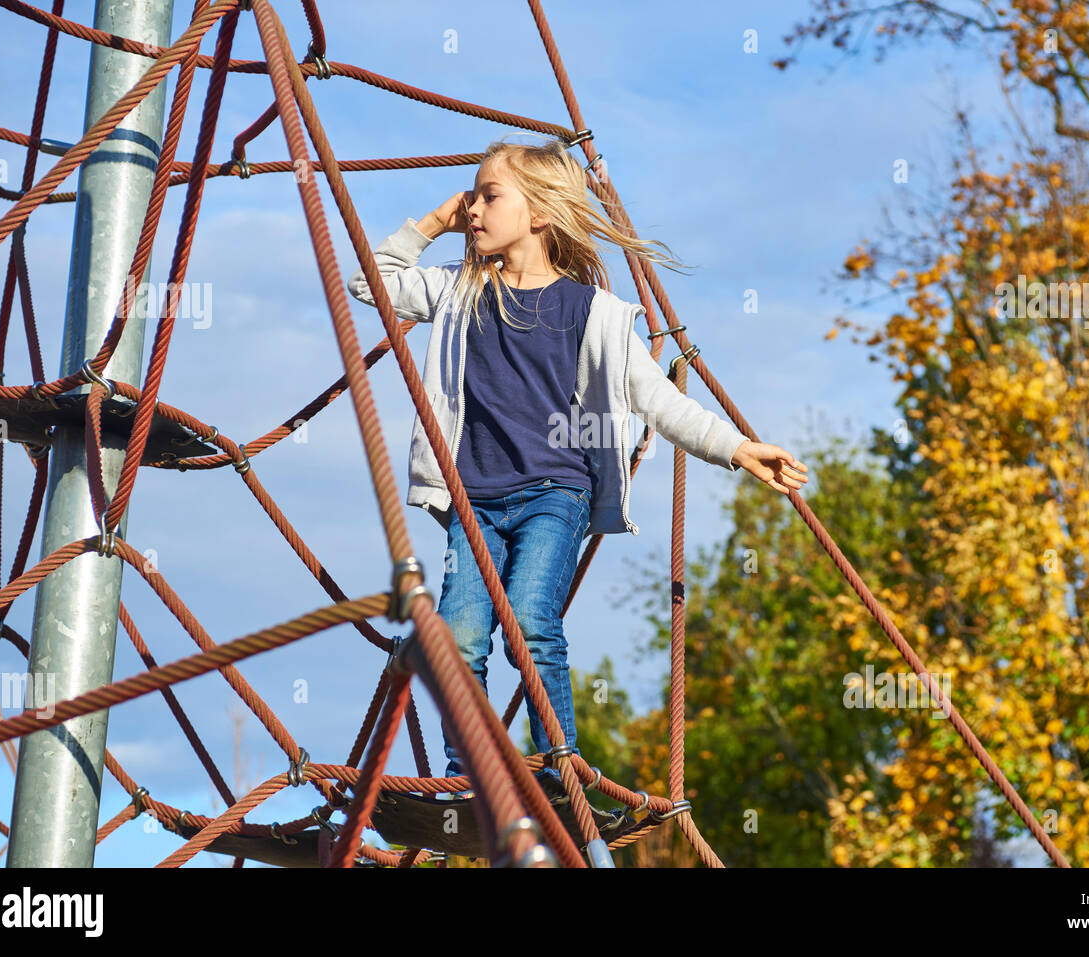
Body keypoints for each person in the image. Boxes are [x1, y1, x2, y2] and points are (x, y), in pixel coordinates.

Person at [346, 137, 808, 798]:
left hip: (552, 495)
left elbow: (661, 402)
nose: (473, 208)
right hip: (472, 500)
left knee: (531, 622)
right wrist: (430, 223)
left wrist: (737, 447)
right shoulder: (455, 290)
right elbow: (370, 283)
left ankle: (562, 767)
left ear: (539, 213)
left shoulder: (595, 315)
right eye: (471, 196)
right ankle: (470, 775)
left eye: (488, 195)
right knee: (459, 637)